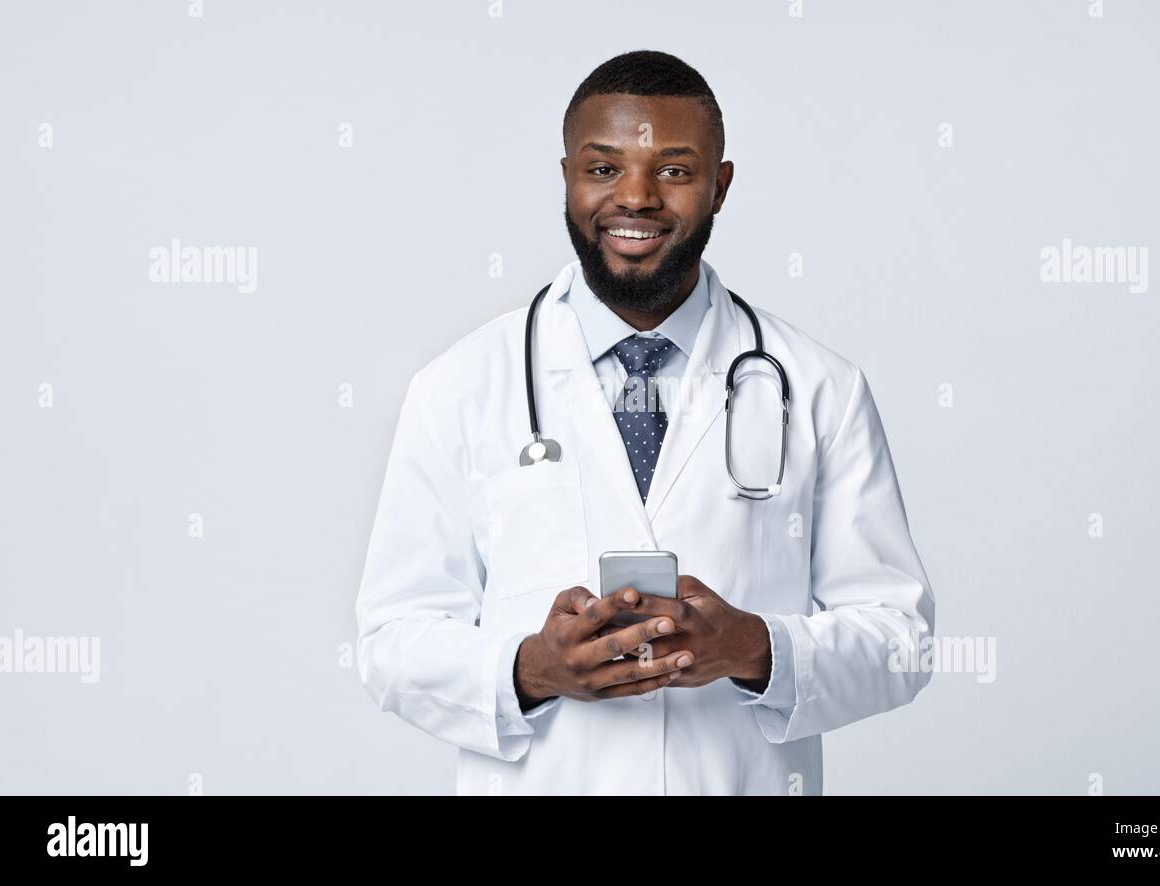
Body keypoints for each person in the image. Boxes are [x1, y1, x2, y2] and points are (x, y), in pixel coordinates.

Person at [355, 49, 935, 795]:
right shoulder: (460, 387)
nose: (635, 198)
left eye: (674, 170)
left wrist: (755, 648)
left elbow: (902, 640)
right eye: (602, 169)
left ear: (720, 186)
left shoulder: (820, 388)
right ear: (565, 177)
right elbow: (391, 642)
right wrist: (534, 667)